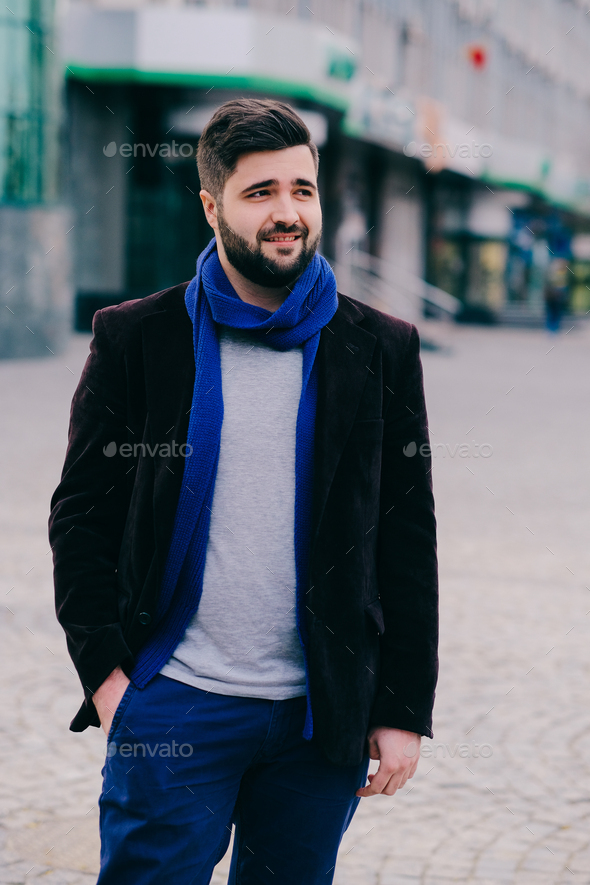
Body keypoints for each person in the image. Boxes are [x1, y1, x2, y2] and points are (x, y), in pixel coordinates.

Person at [49, 98, 438, 885]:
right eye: (260, 192)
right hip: (176, 701)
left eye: (302, 189)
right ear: (211, 205)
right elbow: (82, 515)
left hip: (319, 714)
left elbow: (407, 534)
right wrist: (110, 680)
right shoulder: (137, 337)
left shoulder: (379, 347)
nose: (287, 212)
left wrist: (401, 708)